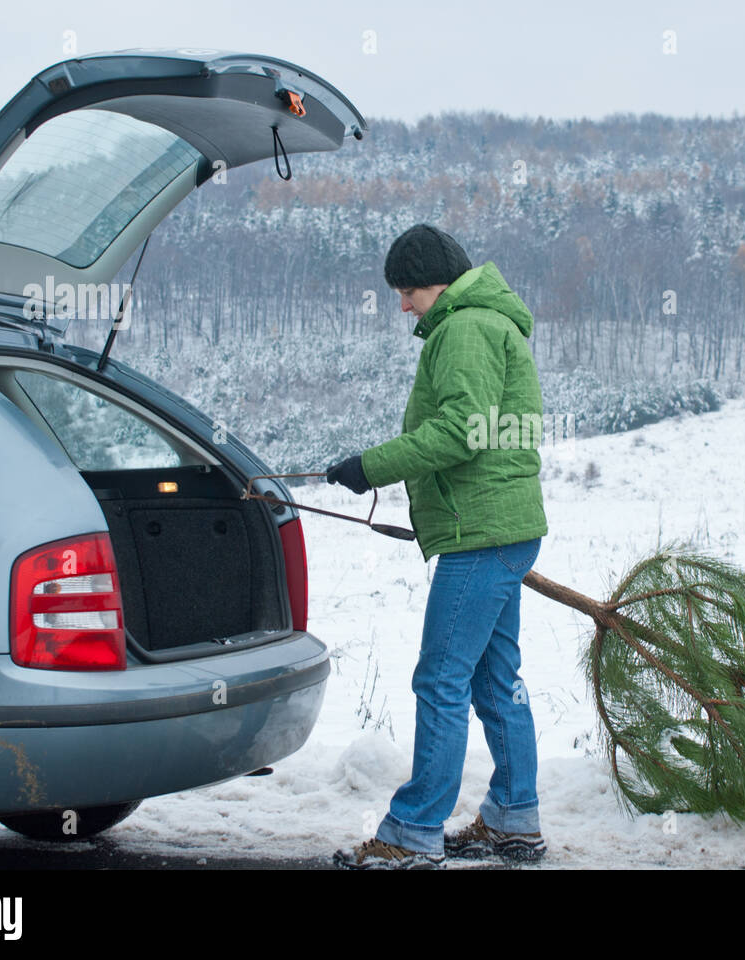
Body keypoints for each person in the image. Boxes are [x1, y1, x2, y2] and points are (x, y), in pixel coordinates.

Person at [326, 224, 549, 869]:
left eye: (407, 291)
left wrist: (371, 465)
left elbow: (459, 433)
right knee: (495, 679)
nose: (402, 306)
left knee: (441, 680)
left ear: (437, 282)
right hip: (504, 529)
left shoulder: (465, 329)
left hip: (480, 533)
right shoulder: (486, 321)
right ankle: (513, 818)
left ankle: (413, 833)